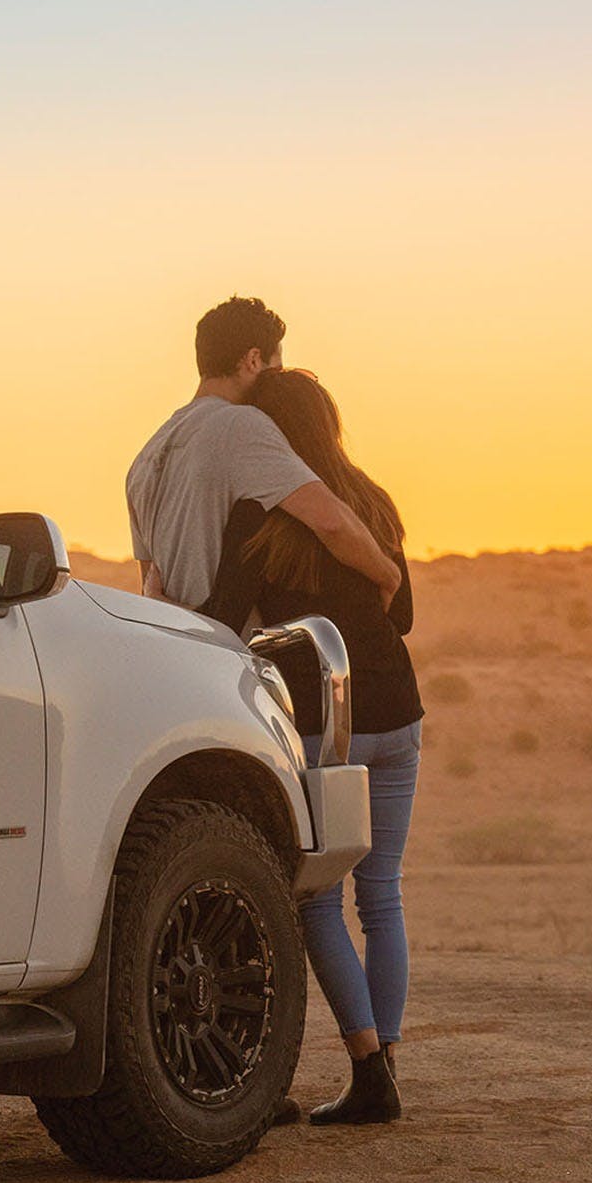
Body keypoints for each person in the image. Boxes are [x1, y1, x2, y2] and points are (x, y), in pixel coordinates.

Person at [202, 369, 420, 1125]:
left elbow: (218, 622)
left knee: (318, 898)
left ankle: (368, 1068)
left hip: (330, 723)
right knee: (382, 891)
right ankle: (384, 1066)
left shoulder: (260, 519)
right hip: (401, 710)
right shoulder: (371, 502)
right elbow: (408, 613)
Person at [126, 296, 400, 613]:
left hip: (182, 650)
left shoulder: (144, 459)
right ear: (254, 360)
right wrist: (388, 575)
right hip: (234, 653)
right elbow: (331, 523)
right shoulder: (241, 426)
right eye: (276, 367)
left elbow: (151, 591)